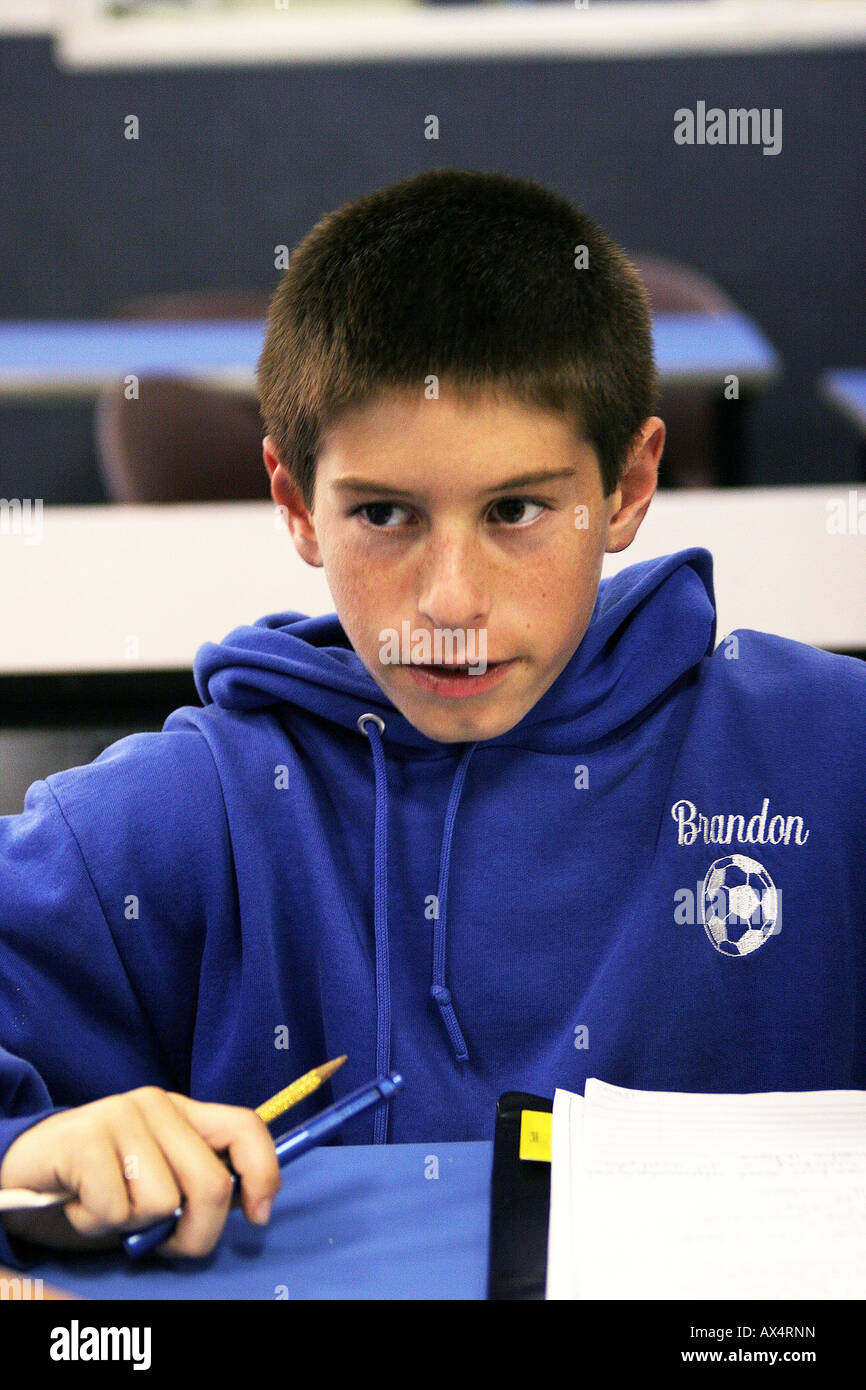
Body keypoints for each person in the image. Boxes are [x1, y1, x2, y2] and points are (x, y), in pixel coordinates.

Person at [1, 170, 863, 1267]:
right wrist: (36, 1148)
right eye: (383, 514)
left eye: (515, 509)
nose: (449, 600)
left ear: (631, 485)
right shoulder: (198, 808)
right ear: (294, 502)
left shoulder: (826, 759)